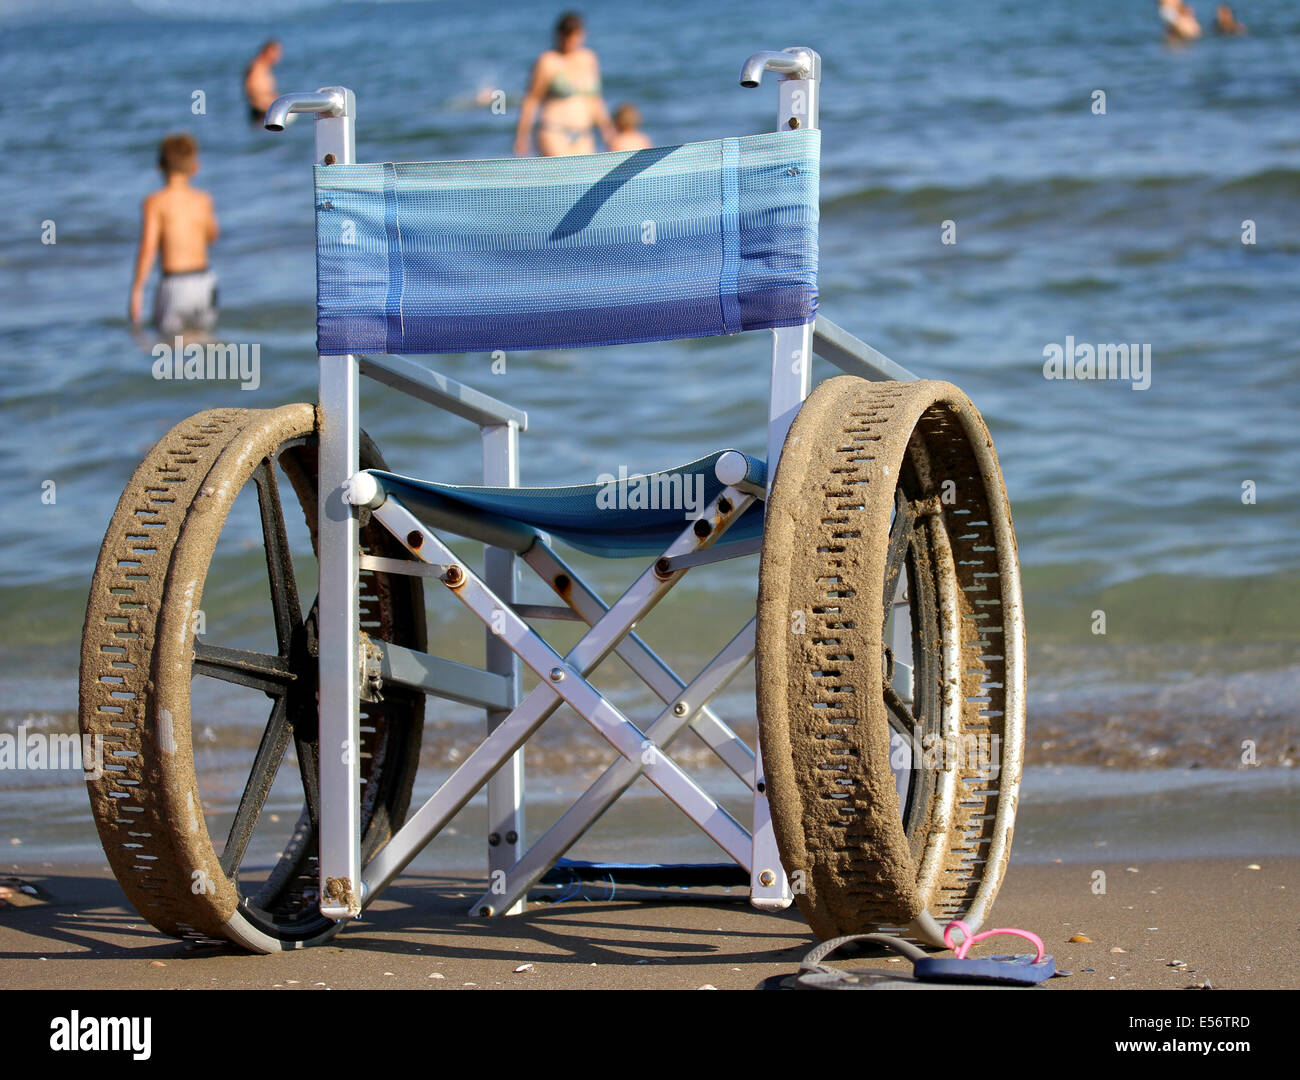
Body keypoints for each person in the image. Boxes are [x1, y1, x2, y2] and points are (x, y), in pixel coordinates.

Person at [129, 133, 219, 335]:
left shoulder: (155, 202)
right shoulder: (203, 200)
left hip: (174, 284)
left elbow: (148, 248)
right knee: (204, 340)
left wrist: (137, 289)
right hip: (204, 280)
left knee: (171, 348)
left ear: (160, 166)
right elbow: (212, 235)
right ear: (195, 167)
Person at [515, 12, 615, 156]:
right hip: (553, 131)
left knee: (586, 177)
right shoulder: (547, 61)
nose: (570, 40)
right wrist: (522, 136)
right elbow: (532, 100)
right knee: (561, 175)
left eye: (574, 35)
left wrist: (608, 132)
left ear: (582, 34)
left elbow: (596, 100)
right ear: (559, 35)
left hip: (584, 133)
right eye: (566, 36)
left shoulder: (589, 59)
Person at [244, 39, 283, 124]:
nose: (278, 56)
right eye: (276, 52)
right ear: (268, 51)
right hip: (260, 112)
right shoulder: (257, 68)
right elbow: (252, 91)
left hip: (265, 110)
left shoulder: (265, 68)